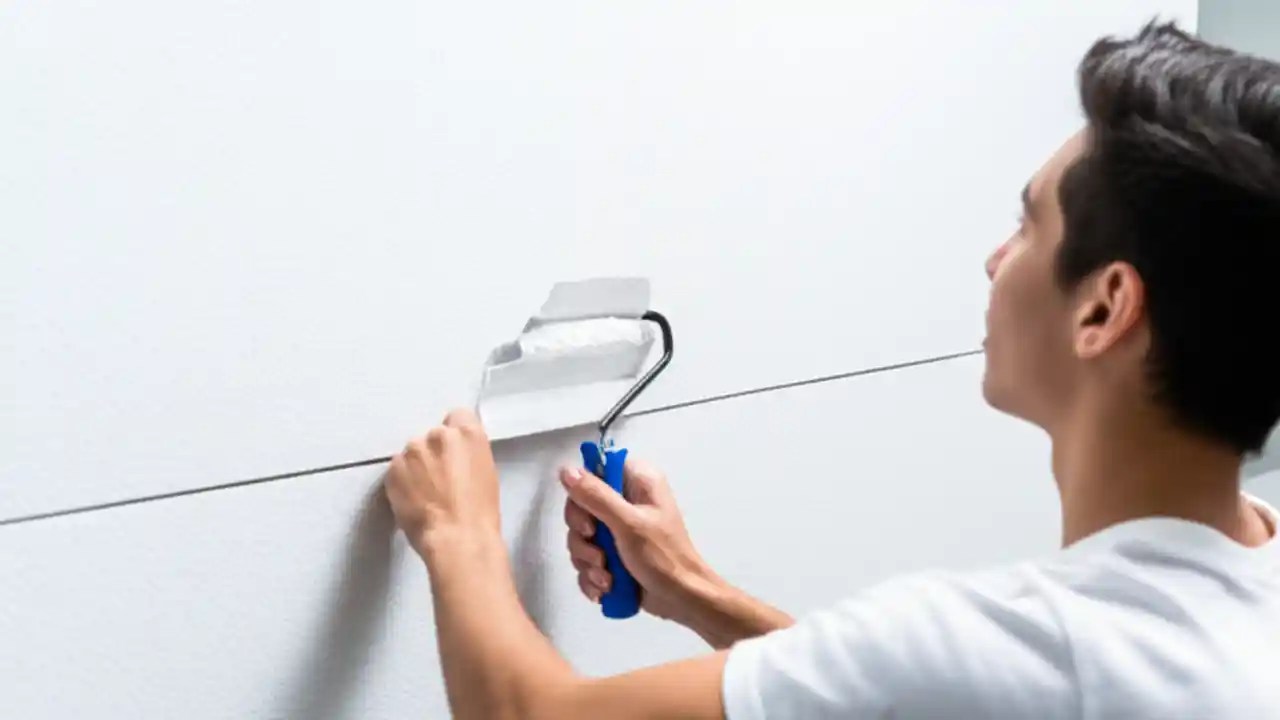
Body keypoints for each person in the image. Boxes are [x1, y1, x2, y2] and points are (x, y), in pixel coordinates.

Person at [383, 20, 1280, 719]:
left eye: (1030, 224)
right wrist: (697, 591)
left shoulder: (1026, 646)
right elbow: (942, 691)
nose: (995, 258)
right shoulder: (1254, 584)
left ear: (1103, 308)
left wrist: (458, 536)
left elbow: (529, 715)